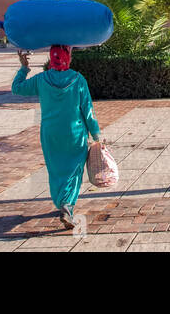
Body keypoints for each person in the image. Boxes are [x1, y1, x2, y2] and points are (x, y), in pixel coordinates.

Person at [11, 45, 102, 230]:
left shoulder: (41, 80)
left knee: (56, 170)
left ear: (51, 58)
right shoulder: (78, 79)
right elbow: (88, 111)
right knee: (74, 171)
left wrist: (24, 68)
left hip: (51, 134)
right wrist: (97, 134)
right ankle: (67, 206)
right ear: (67, 57)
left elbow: (17, 88)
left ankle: (62, 202)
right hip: (75, 134)